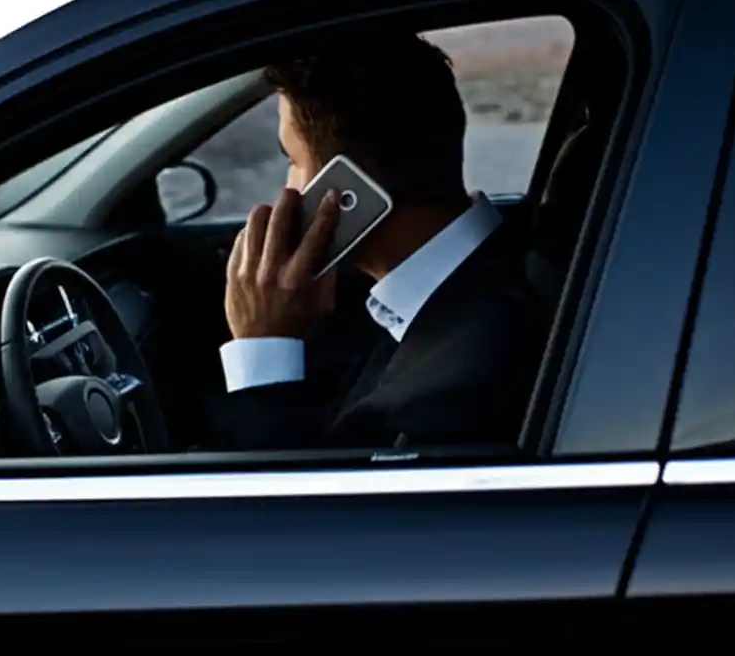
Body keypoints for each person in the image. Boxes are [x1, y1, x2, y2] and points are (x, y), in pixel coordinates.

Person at [205, 33, 549, 451]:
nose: (285, 191)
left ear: (348, 192)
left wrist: (261, 352)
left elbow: (291, 513)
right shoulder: (498, 269)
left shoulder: (448, 395)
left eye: (293, 162)